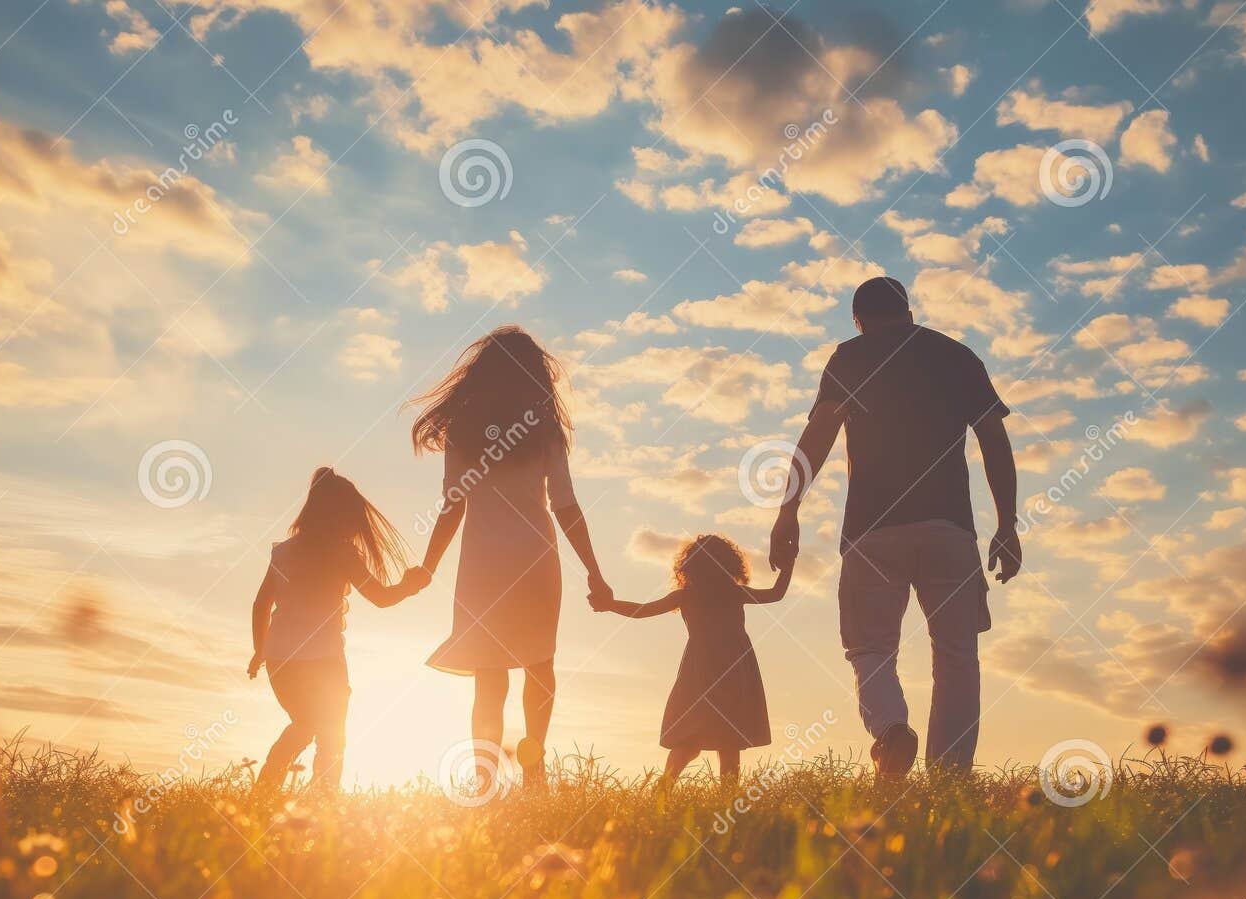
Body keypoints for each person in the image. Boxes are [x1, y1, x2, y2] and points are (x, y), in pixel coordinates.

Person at [767, 276, 1021, 780]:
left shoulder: (852, 356)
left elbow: (818, 433)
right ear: (907, 311)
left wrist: (788, 510)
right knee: (956, 657)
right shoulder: (957, 356)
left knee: (870, 648)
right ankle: (949, 780)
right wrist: (1008, 524)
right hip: (949, 527)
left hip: (872, 530)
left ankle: (890, 731)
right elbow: (994, 438)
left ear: (859, 321)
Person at [411, 326, 611, 792]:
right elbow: (566, 505)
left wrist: (428, 566)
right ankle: (534, 773)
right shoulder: (543, 430)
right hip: (535, 559)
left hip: (482, 564)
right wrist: (596, 574)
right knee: (539, 666)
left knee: (489, 676)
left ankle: (482, 779)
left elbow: (452, 504)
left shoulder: (464, 429)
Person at [248, 467, 427, 794]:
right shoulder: (343, 553)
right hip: (323, 660)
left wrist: (261, 649)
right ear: (343, 517)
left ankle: (263, 794)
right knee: (330, 734)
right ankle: (323, 801)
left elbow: (261, 606)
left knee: (304, 726)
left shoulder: (283, 552)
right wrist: (408, 586)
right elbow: (381, 598)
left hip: (281, 659)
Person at [597, 533, 790, 787]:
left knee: (689, 739)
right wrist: (789, 563)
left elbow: (642, 611)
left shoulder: (687, 595)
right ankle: (725, 801)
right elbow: (776, 593)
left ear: (690, 566)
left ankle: (664, 789)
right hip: (734, 669)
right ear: (731, 564)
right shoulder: (733, 593)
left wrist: (609, 604)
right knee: (729, 742)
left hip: (700, 670)